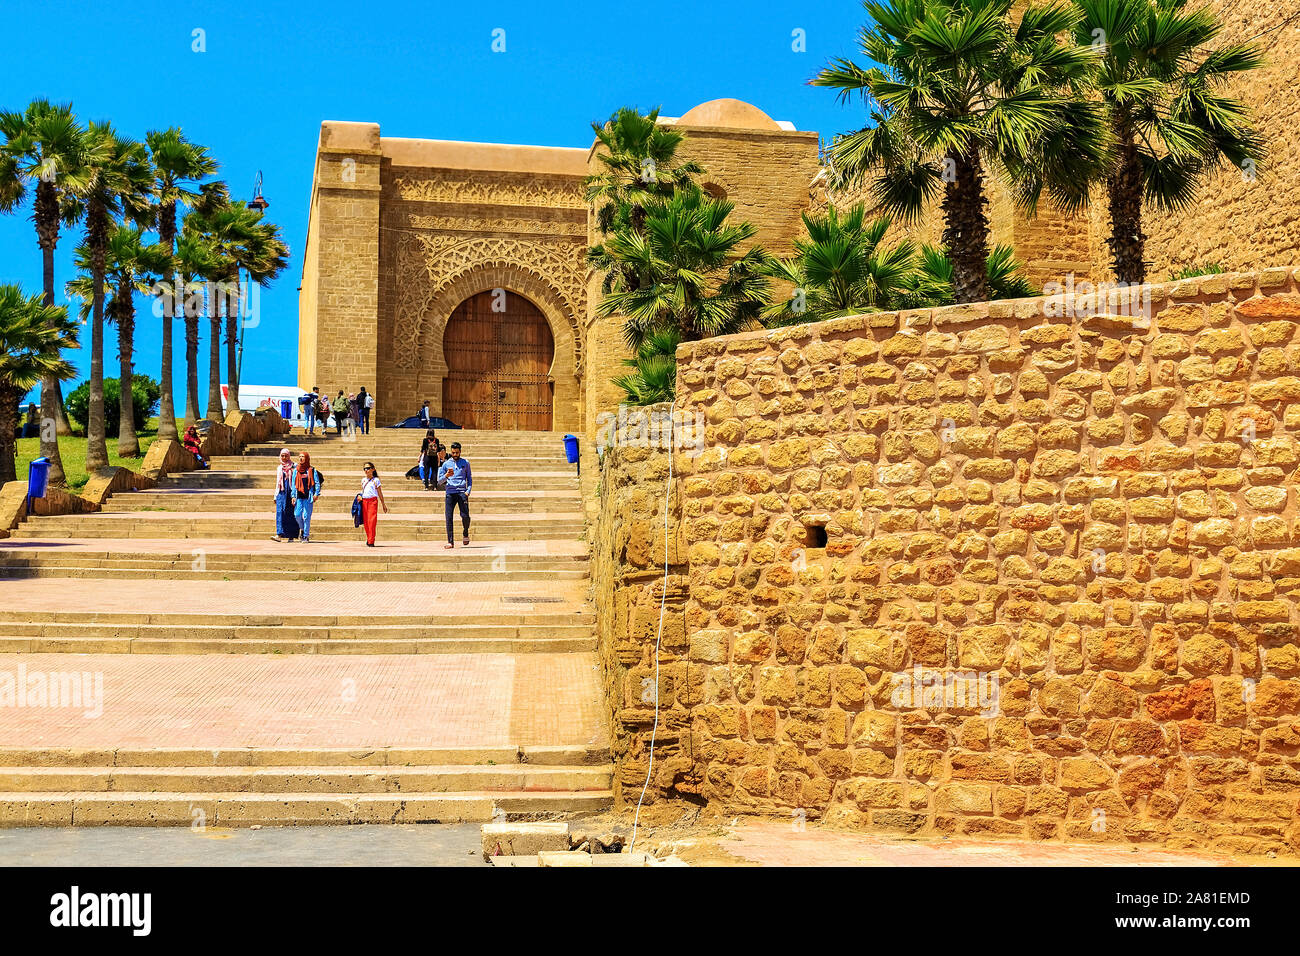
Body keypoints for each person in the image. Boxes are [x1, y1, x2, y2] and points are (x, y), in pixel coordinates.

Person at [438, 441, 472, 548]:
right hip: (450, 493)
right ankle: (450, 541)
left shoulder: (465, 463)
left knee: (465, 516)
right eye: (453, 453)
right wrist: (446, 476)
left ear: (460, 452)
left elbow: (469, 478)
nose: (455, 455)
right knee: (449, 517)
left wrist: (468, 491)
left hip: (462, 492)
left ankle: (465, 532)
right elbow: (439, 481)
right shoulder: (446, 464)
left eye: (457, 453)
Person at [290, 451, 321, 542]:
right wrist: (293, 496)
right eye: (300, 456)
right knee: (297, 515)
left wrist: (316, 494)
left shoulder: (312, 470)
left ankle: (306, 535)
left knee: (307, 516)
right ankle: (302, 529)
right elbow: (293, 484)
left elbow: (317, 483)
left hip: (308, 497)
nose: (301, 458)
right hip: (298, 496)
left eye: (303, 456)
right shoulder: (296, 470)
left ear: (306, 458)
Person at [357, 461, 388, 547]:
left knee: (372, 521)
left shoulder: (376, 480)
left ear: (373, 469)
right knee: (366, 522)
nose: (366, 470)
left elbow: (380, 493)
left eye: (368, 468)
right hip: (364, 501)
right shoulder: (363, 480)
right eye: (364, 469)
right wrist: (360, 496)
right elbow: (363, 491)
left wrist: (383, 504)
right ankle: (369, 538)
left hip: (373, 502)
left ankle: (371, 540)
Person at [271, 447, 299, 542]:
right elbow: (278, 482)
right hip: (281, 492)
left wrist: (294, 495)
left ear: (289, 456)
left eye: (286, 456)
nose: (284, 457)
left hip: (291, 492)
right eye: (282, 456)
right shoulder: (279, 468)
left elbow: (296, 481)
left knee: (291, 513)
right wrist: (275, 495)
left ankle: (292, 535)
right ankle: (279, 534)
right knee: (280, 513)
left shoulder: (294, 466)